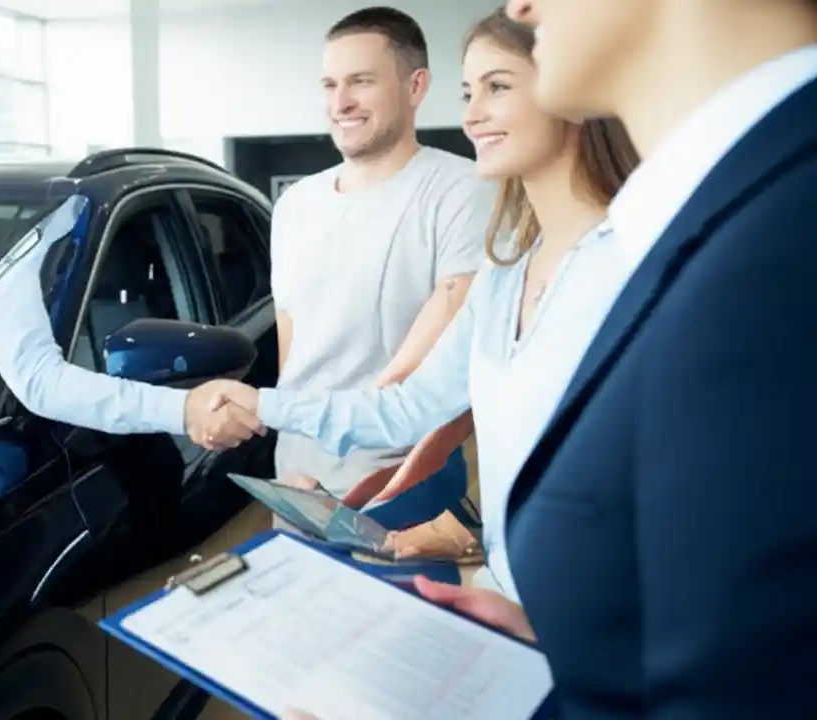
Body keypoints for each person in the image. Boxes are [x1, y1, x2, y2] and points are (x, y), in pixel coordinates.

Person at [308, 0, 817, 717]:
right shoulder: (715, 214)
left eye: (497, 85)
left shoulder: (773, 239)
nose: (520, 5)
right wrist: (574, 654)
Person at [203, 8, 639, 600]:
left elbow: (625, 487)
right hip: (507, 590)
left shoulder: (627, 260)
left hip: (583, 611)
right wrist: (268, 407)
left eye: (498, 87)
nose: (471, 115)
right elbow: (412, 406)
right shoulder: (506, 278)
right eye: (469, 91)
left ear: (571, 89)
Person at [267, 7, 493, 528]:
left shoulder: (464, 188)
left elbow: (442, 360)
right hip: (296, 481)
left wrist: (365, 487)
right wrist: (295, 465)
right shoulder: (296, 205)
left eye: (360, 82)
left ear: (416, 86)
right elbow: (292, 343)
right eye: (329, 84)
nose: (340, 102)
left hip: (400, 481)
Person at [0, 196, 264, 449]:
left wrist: (187, 408)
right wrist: (185, 408)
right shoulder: (54, 211)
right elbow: (36, 380)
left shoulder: (68, 206)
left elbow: (38, 380)